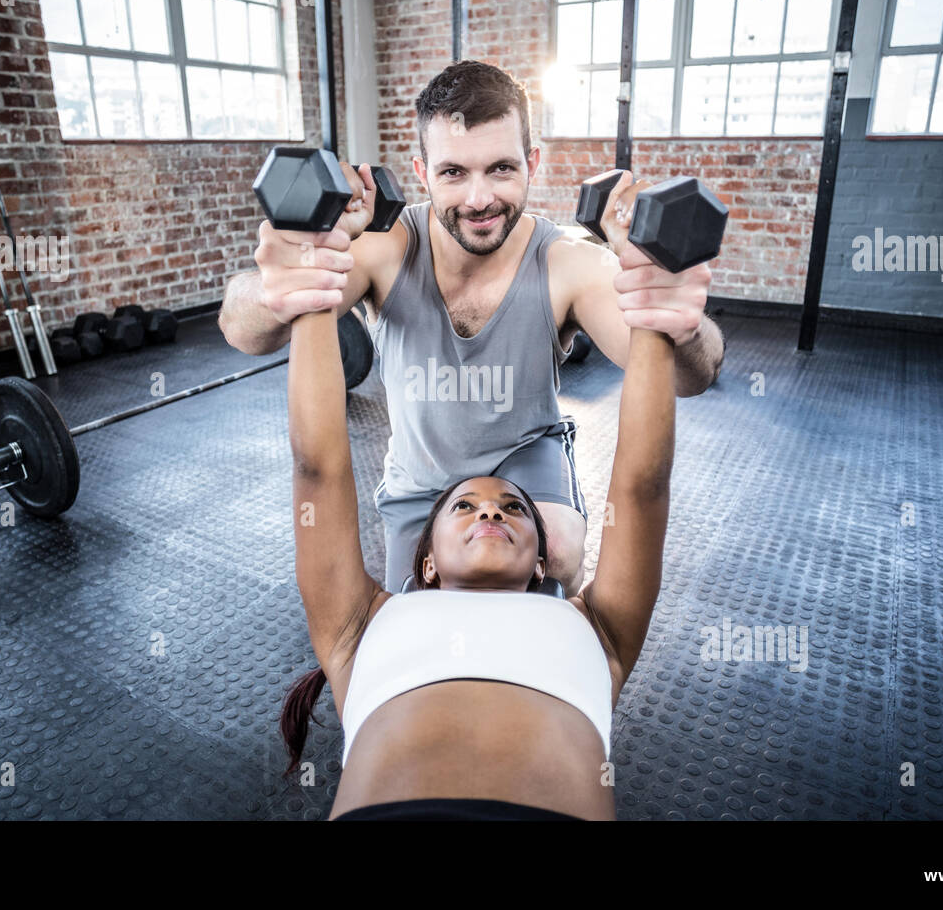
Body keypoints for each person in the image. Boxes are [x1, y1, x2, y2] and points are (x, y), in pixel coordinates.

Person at [221, 60, 722, 597]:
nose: (479, 199)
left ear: (532, 162)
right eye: (454, 173)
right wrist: (282, 287)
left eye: (501, 169)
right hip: (422, 481)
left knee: (558, 550)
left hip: (526, 462)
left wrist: (680, 323)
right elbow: (242, 329)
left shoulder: (567, 263)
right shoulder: (386, 249)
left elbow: (689, 377)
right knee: (415, 604)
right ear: (422, 172)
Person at [283, 175, 677, 820]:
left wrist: (656, 314)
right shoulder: (359, 624)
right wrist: (313, 283)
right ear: (425, 559)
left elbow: (642, 488)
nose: (491, 509)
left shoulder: (597, 624)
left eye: (513, 508)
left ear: (544, 562)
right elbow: (317, 468)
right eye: (464, 507)